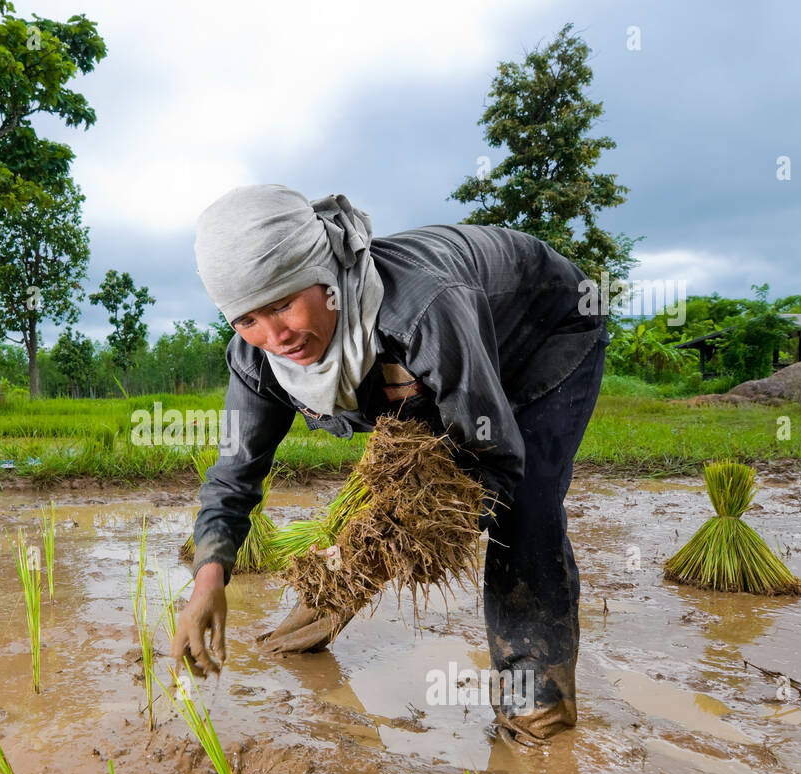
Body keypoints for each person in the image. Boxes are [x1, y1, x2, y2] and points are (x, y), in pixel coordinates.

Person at [172, 183, 609, 745]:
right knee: (398, 467)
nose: (275, 336)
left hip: (547, 329)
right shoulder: (259, 358)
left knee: (523, 512)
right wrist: (208, 579)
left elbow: (495, 461)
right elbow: (233, 475)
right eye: (247, 319)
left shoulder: (422, 309)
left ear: (328, 276)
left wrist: (390, 549)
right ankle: (327, 602)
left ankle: (536, 709)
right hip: (434, 362)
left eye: (284, 304)